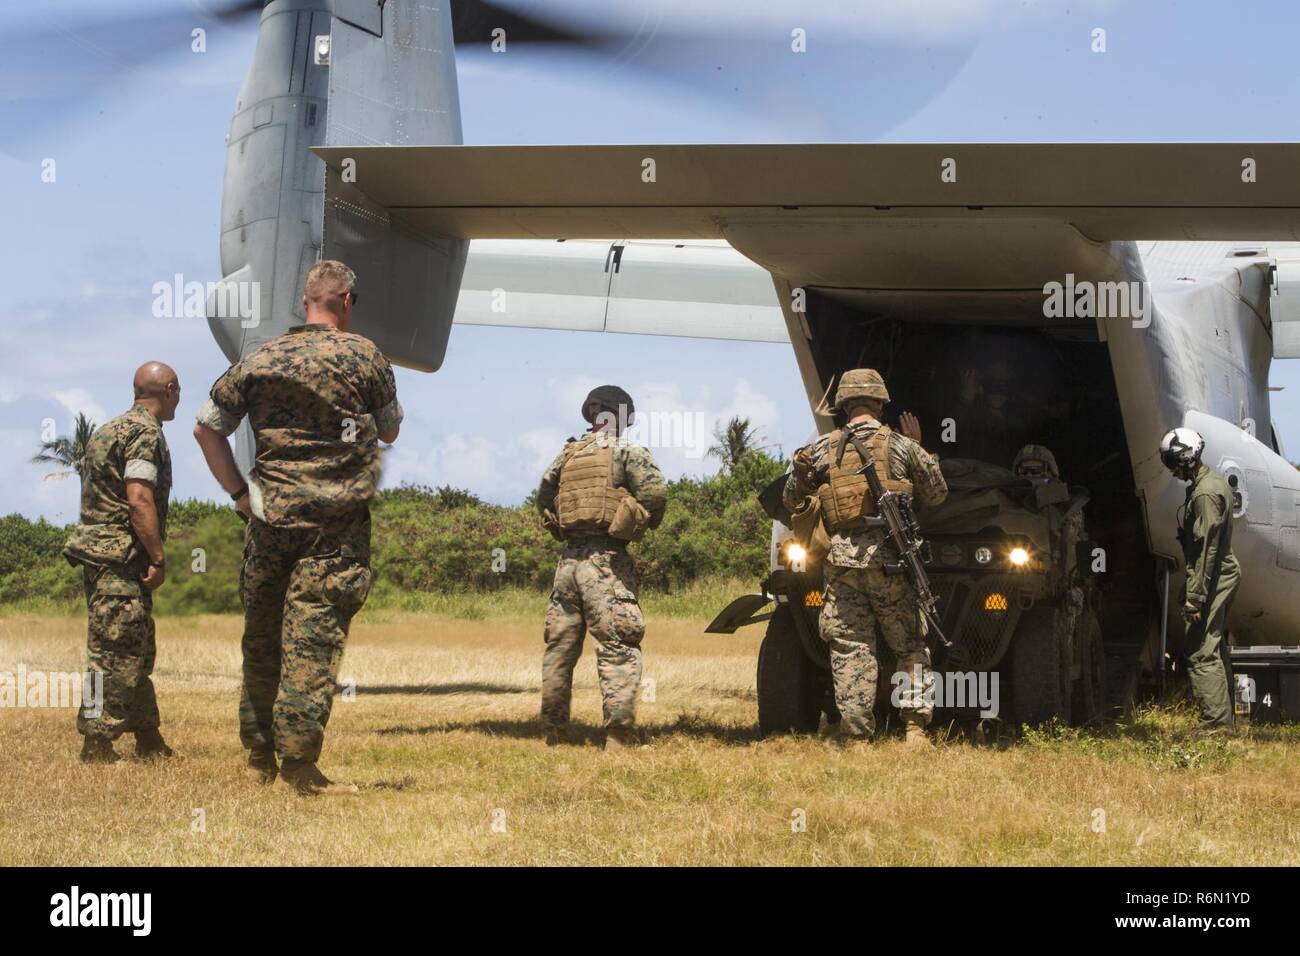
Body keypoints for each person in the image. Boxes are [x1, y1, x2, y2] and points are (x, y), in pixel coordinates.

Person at [194, 260, 402, 794]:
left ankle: (260, 754)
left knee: (262, 638)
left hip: (268, 520)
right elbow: (391, 430)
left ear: (304, 301)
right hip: (334, 528)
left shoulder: (259, 359)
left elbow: (206, 429)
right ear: (347, 300)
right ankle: (300, 766)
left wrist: (240, 494)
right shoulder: (364, 356)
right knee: (313, 638)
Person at [784, 369, 948, 745]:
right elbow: (937, 493)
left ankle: (856, 736)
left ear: (843, 406)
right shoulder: (902, 446)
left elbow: (791, 499)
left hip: (841, 564)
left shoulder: (820, 449)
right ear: (879, 403)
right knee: (908, 644)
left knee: (850, 647)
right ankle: (915, 730)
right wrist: (921, 448)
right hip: (892, 561)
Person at [535, 385, 666, 749]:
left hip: (568, 565)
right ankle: (619, 736)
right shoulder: (626, 451)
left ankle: (554, 733)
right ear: (621, 416)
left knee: (560, 647)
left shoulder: (567, 455)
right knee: (619, 644)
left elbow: (543, 498)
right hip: (606, 562)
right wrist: (633, 520)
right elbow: (655, 496)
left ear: (592, 414)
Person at [63, 362, 180, 763]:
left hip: (101, 559)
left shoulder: (107, 430)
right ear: (168, 389)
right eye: (178, 392)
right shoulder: (144, 434)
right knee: (113, 654)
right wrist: (159, 556)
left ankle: (148, 738)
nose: (179, 399)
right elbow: (138, 499)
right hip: (120, 559)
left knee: (134, 648)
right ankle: (96, 743)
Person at [1160, 427, 1239, 732]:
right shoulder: (1210, 484)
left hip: (1214, 575)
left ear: (1186, 457)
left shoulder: (1205, 494)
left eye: (1172, 463)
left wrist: (1196, 596)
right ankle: (1223, 718)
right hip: (1219, 572)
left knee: (1200, 648)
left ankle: (1216, 724)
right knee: (1214, 644)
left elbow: (1206, 551)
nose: (1172, 471)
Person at [1012, 443, 1087, 656]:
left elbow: (1071, 545)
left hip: (1058, 577)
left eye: (1035, 470)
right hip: (1016, 573)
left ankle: (1069, 654)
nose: (1029, 475)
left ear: (1049, 472)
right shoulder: (1010, 498)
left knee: (1071, 601)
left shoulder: (1065, 503)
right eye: (1023, 471)